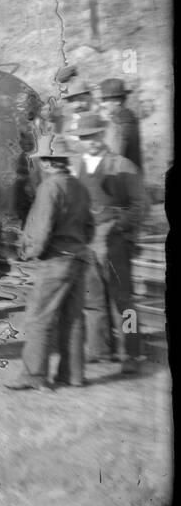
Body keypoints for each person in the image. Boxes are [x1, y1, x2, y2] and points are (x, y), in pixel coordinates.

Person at [6, 135, 95, 392]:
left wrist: (30, 251)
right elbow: (90, 226)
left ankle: (34, 375)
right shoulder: (79, 187)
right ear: (65, 160)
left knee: (39, 318)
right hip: (79, 258)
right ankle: (73, 375)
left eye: (43, 159)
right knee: (74, 318)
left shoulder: (49, 188)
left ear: (47, 162)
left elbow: (42, 229)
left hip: (56, 261)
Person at [73, 113, 147, 373]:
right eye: (84, 137)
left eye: (93, 136)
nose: (89, 142)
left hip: (115, 242)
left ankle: (131, 353)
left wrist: (120, 224)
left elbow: (141, 205)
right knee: (92, 299)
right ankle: (99, 350)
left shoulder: (122, 166)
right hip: (87, 243)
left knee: (122, 300)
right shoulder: (76, 166)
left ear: (102, 134)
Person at [98, 78, 142, 171]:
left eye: (105, 100)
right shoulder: (132, 118)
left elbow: (113, 159)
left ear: (117, 101)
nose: (102, 104)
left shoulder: (118, 124)